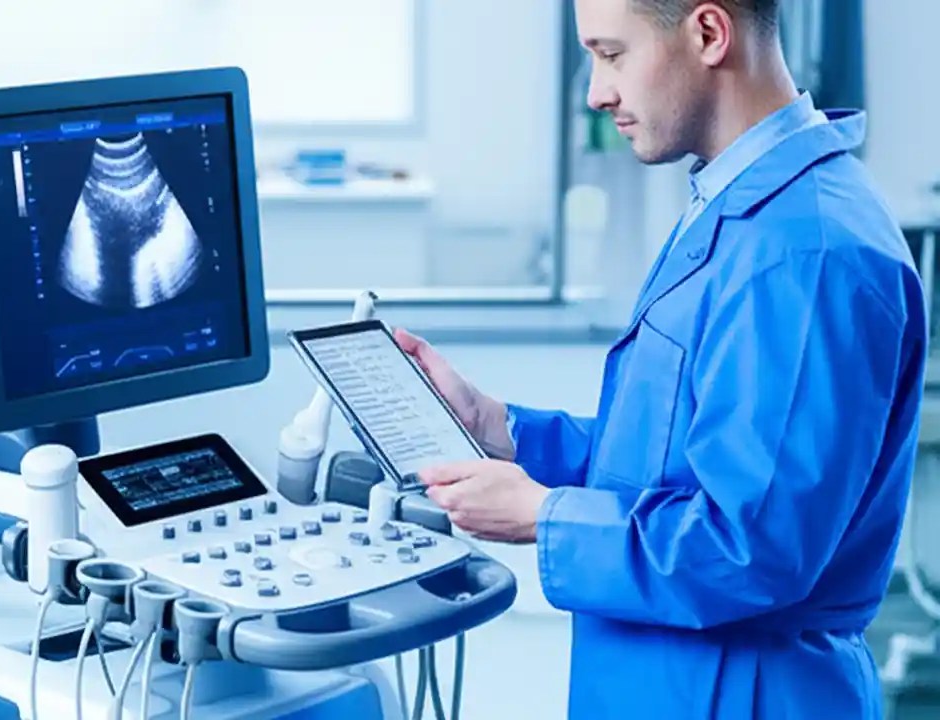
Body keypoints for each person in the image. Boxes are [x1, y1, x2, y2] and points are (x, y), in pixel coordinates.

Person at [398, 0, 928, 717]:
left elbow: (752, 547)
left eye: (612, 54)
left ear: (709, 34)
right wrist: (504, 431)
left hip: (746, 692)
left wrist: (543, 516)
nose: (595, 91)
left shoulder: (805, 251)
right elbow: (672, 458)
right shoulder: (736, 206)